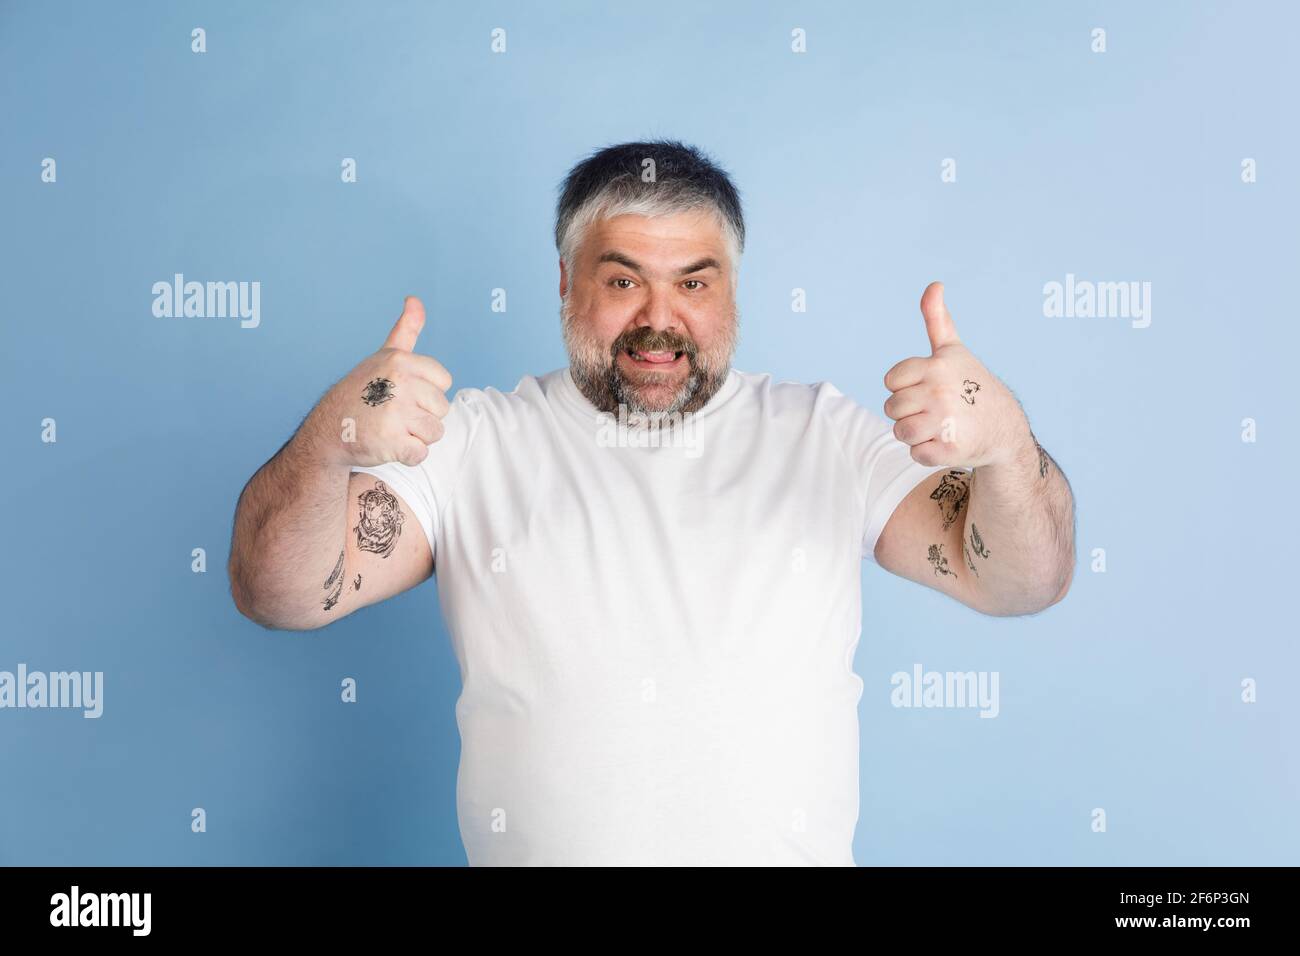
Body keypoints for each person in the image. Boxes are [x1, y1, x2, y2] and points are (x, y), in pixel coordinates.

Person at [228, 140, 1076, 866]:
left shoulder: (824, 435)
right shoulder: (470, 444)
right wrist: (330, 441)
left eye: (695, 285)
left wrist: (1005, 447)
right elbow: (280, 592)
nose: (659, 320)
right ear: (566, 284)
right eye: (623, 280)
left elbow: (1023, 580)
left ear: (734, 294)